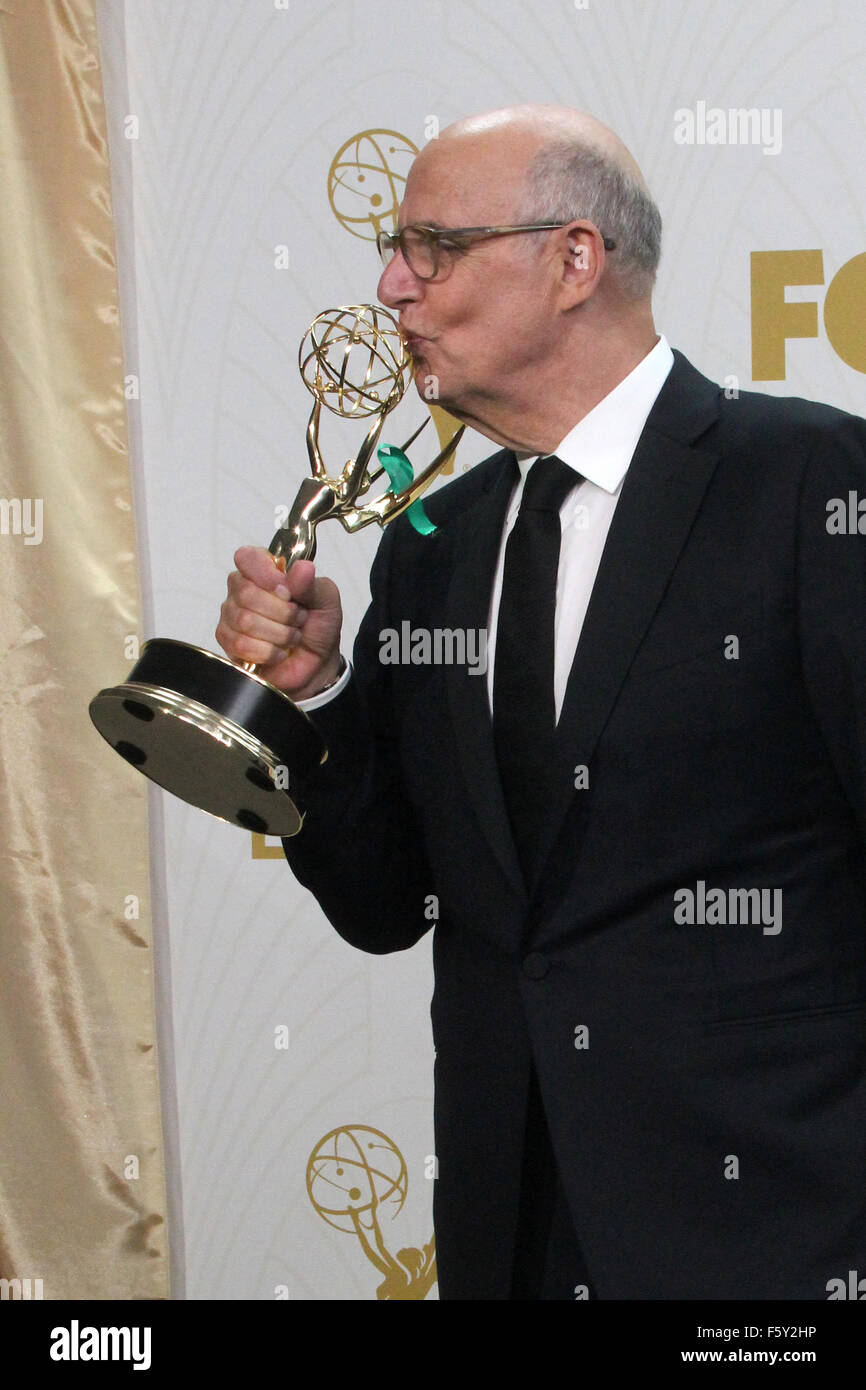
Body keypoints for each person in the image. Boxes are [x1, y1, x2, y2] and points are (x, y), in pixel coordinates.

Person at [215, 105, 866, 1300]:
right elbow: (384, 903)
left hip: (775, 1237)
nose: (390, 285)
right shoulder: (428, 546)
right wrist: (317, 702)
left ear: (573, 259)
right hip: (507, 1237)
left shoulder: (809, 485)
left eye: (433, 248)